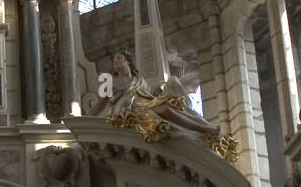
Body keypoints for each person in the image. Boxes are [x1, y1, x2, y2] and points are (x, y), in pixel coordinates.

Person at [94, 49, 237, 160]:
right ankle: (203, 129)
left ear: (128, 62)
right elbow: (102, 102)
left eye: (119, 58)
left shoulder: (139, 80)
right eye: (114, 60)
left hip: (146, 103)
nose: (115, 62)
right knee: (165, 111)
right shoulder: (110, 80)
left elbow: (149, 94)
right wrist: (85, 116)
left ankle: (205, 129)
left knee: (171, 104)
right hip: (128, 110)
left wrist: (175, 82)